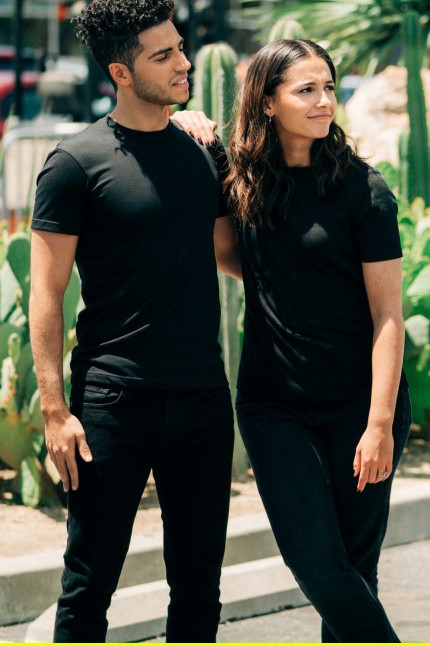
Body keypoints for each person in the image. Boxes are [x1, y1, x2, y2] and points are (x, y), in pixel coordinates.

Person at [173, 39, 410, 642]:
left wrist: (379, 424)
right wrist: (183, 123)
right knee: (315, 563)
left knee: (354, 571)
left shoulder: (364, 189)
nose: (324, 101)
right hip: (273, 403)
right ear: (269, 101)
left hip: (361, 406)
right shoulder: (242, 179)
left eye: (329, 87)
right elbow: (229, 253)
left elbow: (388, 316)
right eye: (307, 90)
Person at [29, 0, 241, 643]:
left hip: (204, 398)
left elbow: (232, 255)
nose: (184, 62)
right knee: (89, 586)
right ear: (121, 72)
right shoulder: (75, 164)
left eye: (180, 47)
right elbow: (46, 291)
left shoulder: (202, 151)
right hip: (112, 401)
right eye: (163, 56)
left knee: (199, 589)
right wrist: (55, 411)